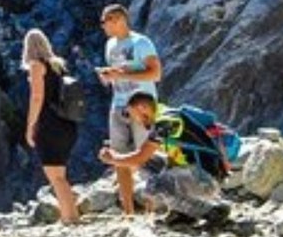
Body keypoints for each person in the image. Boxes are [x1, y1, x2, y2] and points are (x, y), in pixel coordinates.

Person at [98, 92, 230, 227]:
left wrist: (113, 158)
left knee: (155, 186)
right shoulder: (166, 115)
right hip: (199, 171)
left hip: (205, 177)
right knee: (149, 164)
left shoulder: (166, 122)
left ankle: (212, 211)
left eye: (132, 115)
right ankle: (184, 212)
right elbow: (147, 159)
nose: (136, 121)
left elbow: (139, 157)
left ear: (142, 108)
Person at [97, 3, 162, 215]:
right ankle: (128, 212)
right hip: (118, 104)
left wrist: (121, 75)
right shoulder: (109, 45)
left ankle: (153, 208)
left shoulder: (141, 42)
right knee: (118, 157)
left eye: (104, 21)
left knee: (148, 156)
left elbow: (155, 74)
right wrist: (109, 76)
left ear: (118, 20)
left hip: (142, 106)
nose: (102, 26)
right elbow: (120, 72)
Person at [22, 28, 80, 224]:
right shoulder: (58, 66)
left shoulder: (36, 66)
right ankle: (70, 213)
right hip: (67, 124)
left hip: (49, 124)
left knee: (55, 177)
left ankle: (70, 218)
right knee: (60, 174)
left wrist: (30, 126)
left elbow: (37, 97)